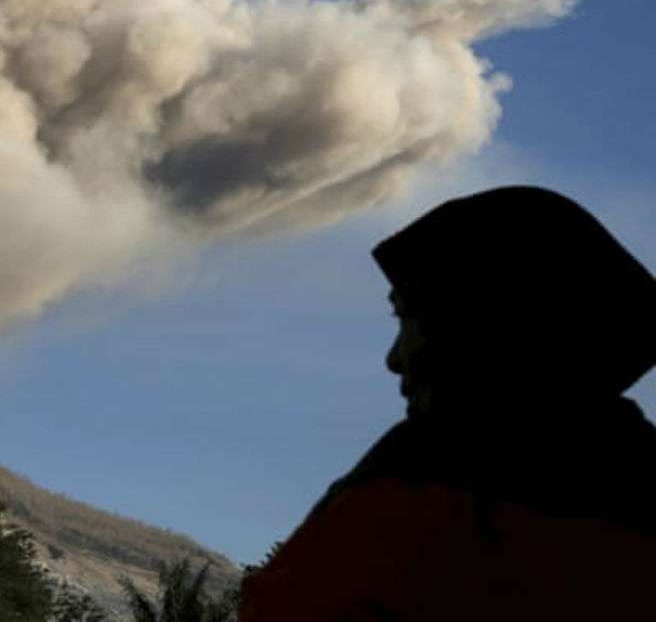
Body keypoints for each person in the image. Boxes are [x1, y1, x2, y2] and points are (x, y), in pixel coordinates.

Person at [238, 186, 656, 622]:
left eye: (407, 319)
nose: (393, 359)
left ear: (481, 328)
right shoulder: (631, 506)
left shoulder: (416, 510)